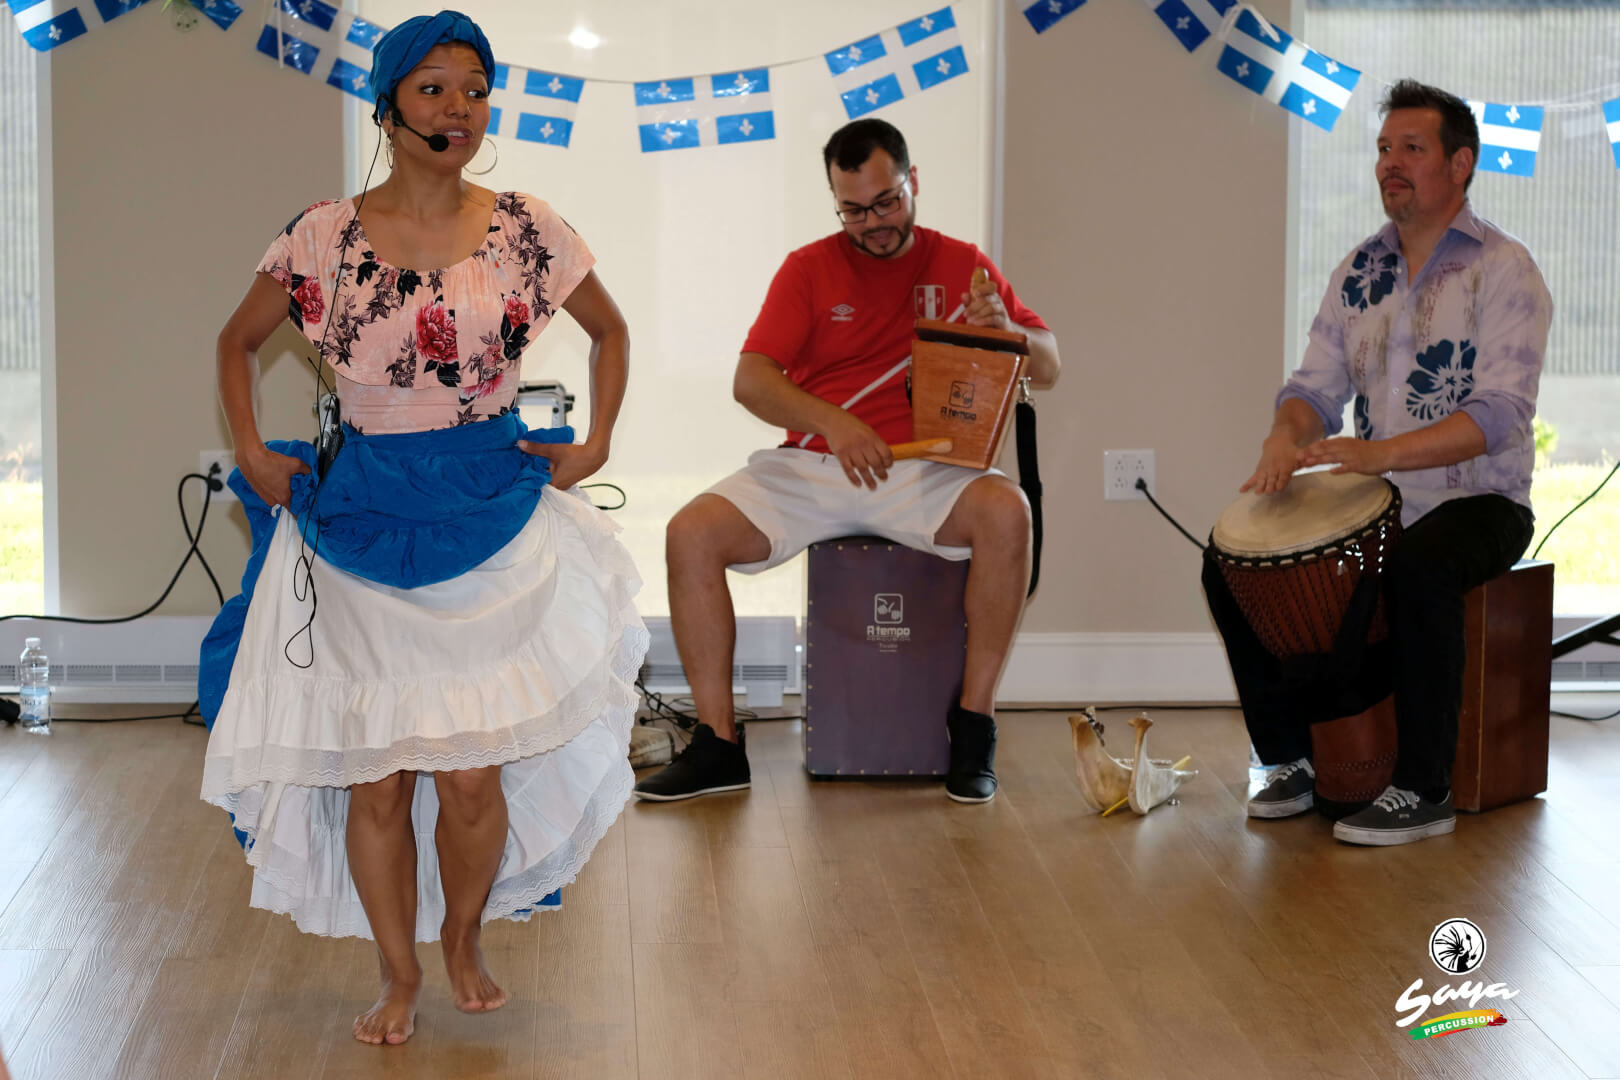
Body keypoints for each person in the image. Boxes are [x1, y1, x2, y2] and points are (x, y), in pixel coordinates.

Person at [198, 11, 647, 1046]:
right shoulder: (323, 233)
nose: (459, 109)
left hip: (489, 507)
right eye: (436, 88)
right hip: (362, 512)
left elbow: (612, 331)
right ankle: (397, 973)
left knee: (473, 770)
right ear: (391, 104)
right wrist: (257, 455)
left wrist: (601, 438)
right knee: (379, 771)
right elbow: (236, 342)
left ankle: (465, 940)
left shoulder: (529, 227)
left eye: (476, 90)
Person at [634, 118, 1060, 806]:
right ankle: (718, 743)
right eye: (854, 210)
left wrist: (1007, 332)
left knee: (1008, 511)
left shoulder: (963, 263)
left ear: (912, 183)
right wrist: (834, 424)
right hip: (815, 465)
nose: (873, 223)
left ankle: (973, 727)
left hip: (926, 470)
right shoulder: (808, 268)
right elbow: (751, 380)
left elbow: (1052, 362)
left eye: (886, 202)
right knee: (690, 534)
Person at [1204, 79, 1551, 846]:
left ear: (1461, 164)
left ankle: (1423, 789)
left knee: (1420, 568)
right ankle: (1288, 759)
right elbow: (1311, 391)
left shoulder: (1505, 270)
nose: (1390, 164)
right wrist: (1283, 438)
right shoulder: (1358, 272)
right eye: (1384, 150)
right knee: (1226, 561)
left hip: (1481, 501)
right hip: (1377, 498)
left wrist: (1379, 454)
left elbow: (1497, 417)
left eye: (1412, 149)